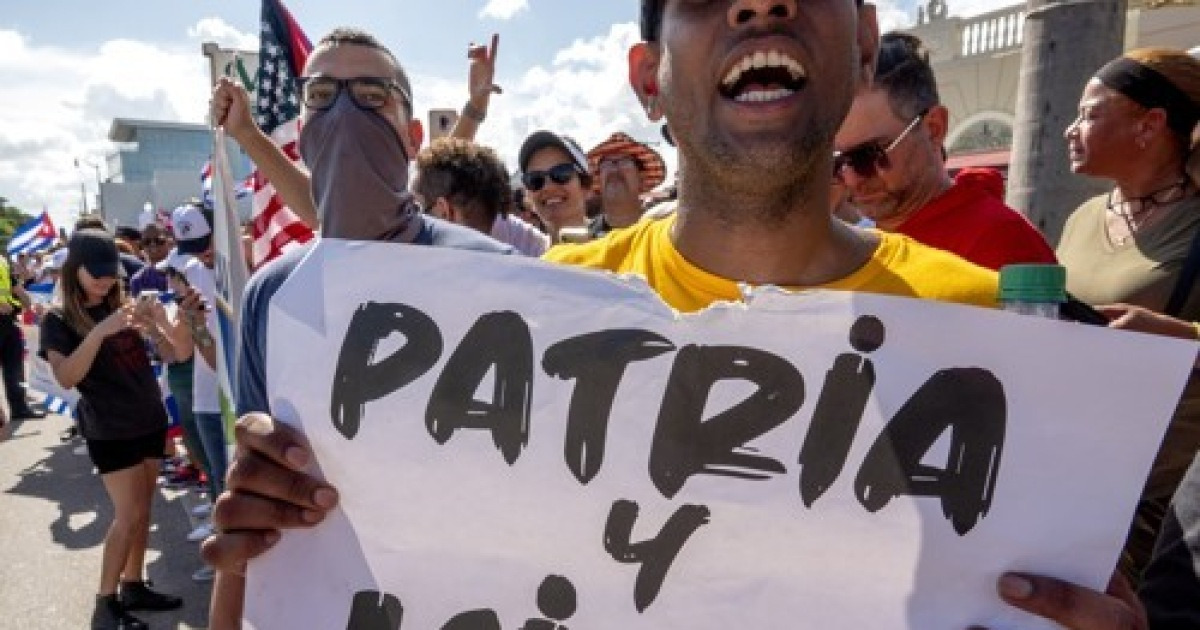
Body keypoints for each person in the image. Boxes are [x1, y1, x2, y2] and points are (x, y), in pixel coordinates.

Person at [205, 3, 1147, 628]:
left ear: (862, 42)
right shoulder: (505, 327)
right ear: (648, 74)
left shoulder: (1001, 343)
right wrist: (289, 525)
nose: (758, 5)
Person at [207, 26, 513, 627]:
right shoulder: (273, 292)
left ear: (413, 133)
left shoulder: (490, 272)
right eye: (320, 96)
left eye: (372, 96)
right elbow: (253, 493)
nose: (343, 113)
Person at [1057, 47, 1200, 585]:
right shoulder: (1083, 219)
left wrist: (1183, 337)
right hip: (1080, 477)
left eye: (1091, 113)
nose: (1072, 129)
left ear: (1150, 124)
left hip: (1167, 506)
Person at [39, 229, 184, 630]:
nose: (105, 282)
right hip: (110, 427)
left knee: (144, 510)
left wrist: (154, 326)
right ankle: (106, 602)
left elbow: (170, 354)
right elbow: (67, 377)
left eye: (110, 274)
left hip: (148, 418)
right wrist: (101, 331)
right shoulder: (58, 319)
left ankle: (133, 583)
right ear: (75, 269)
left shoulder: (121, 303)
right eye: (96, 274)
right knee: (128, 514)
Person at [833, 32, 1056, 271]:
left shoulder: (1004, 245)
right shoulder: (854, 248)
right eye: (837, 162)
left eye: (868, 156)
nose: (852, 179)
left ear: (933, 129)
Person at [414, 137, 550, 256]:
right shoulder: (537, 263)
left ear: (444, 211)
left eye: (416, 210)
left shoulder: (418, 277)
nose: (410, 219)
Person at [585, 131, 667, 237]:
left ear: (641, 178)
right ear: (598, 179)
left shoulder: (663, 230)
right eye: (606, 163)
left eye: (624, 161)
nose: (613, 169)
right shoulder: (584, 238)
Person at [518, 131, 592, 243]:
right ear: (528, 197)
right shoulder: (526, 256)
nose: (548, 187)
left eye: (561, 173)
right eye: (535, 179)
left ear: (585, 185)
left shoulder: (620, 247)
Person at [0, 253, 42, 421]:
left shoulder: (2, 261)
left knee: (15, 365)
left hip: (7, 320)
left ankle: (19, 408)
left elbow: (13, 285)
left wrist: (29, 304)